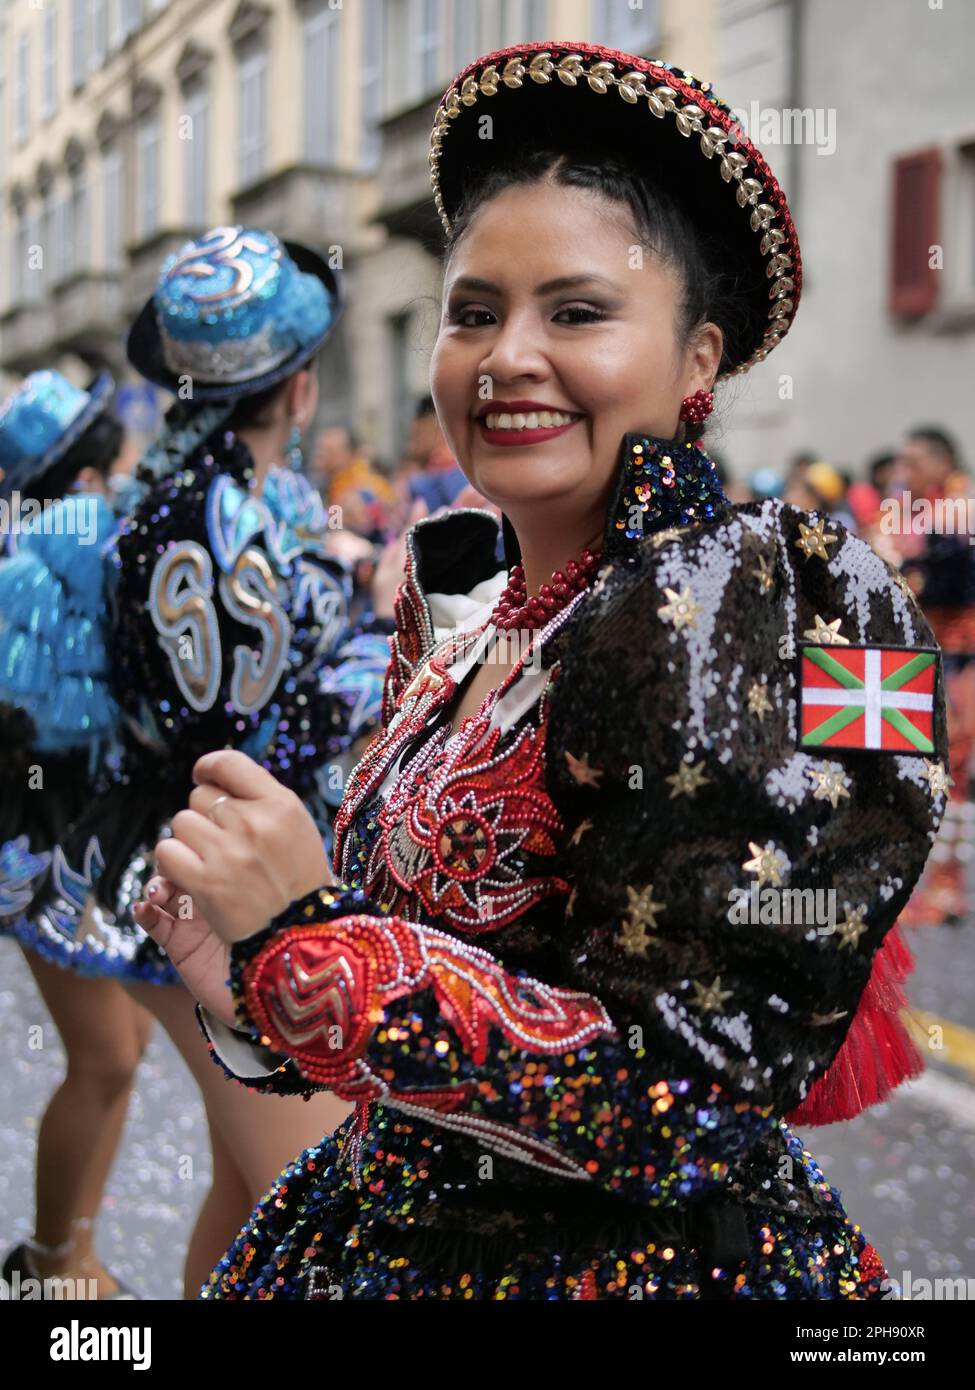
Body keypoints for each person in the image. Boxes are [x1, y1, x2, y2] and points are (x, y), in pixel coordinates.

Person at [139, 43, 944, 1301]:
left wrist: (322, 948)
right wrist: (250, 982)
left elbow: (689, 1103)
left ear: (697, 363)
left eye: (576, 311)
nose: (506, 355)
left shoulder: (757, 607)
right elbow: (420, 1015)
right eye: (472, 312)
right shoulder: (460, 608)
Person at [23, 228, 398, 1295]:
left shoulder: (228, 496)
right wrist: (382, 636)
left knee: (255, 1188)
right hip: (210, 878)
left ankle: (62, 1270)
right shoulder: (204, 519)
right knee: (303, 1183)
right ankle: (55, 1270)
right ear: (299, 387)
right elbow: (242, 744)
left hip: (222, 864)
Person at [0, 370, 152, 1299]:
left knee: (117, 1050)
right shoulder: (74, 555)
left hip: (70, 828)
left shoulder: (42, 550)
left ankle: (67, 1258)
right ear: (91, 473)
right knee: (108, 1056)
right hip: (47, 833)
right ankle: (52, 1267)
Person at [893, 427, 974, 925]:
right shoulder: (924, 511)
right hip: (937, 651)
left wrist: (911, 569)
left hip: (962, 657)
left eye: (914, 461)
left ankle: (947, 888)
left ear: (942, 462)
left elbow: (941, 579)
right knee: (935, 766)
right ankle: (936, 884)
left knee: (954, 768)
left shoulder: (959, 510)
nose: (905, 471)